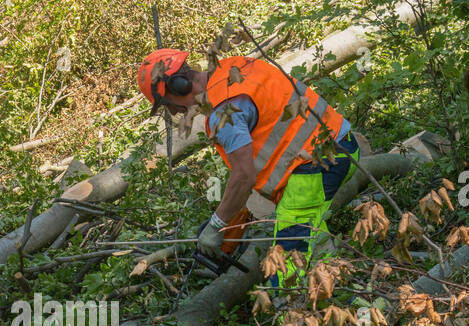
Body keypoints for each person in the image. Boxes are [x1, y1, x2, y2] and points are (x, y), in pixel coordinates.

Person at [137, 48, 360, 281]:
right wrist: (228, 216)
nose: (173, 111)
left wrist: (216, 226)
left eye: (167, 103)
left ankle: (291, 308)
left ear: (179, 85)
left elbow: (244, 177)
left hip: (318, 164)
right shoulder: (231, 68)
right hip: (339, 143)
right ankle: (340, 288)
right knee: (311, 234)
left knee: (286, 261)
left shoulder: (224, 114)